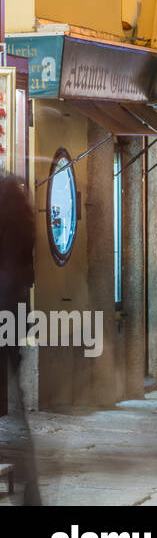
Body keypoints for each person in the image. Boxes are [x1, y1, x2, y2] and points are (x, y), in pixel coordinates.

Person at [0, 174, 40, 504]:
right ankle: (31, 488)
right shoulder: (22, 218)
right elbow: (29, 275)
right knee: (14, 408)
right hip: (13, 320)